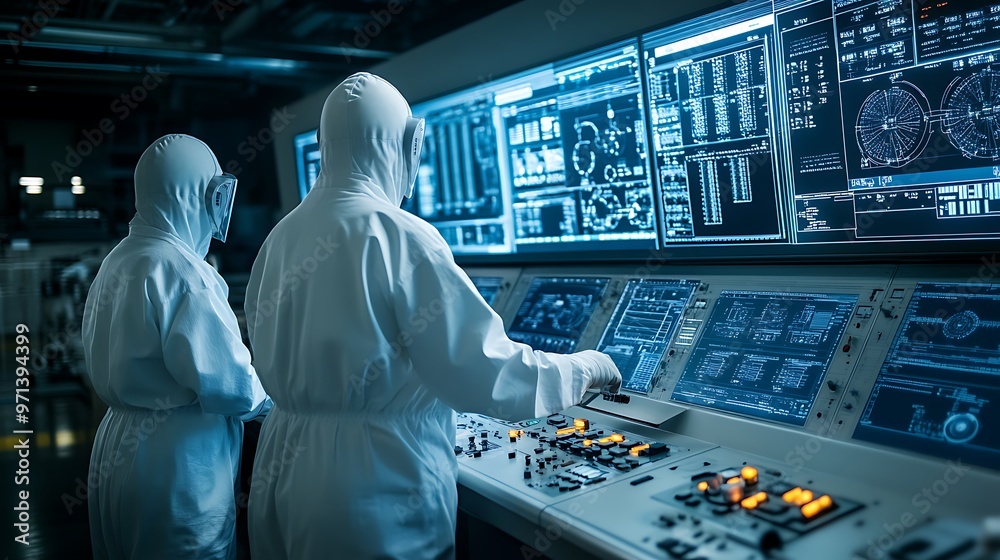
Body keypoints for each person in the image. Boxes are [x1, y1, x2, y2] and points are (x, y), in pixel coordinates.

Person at [244, 72, 621, 559]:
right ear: (403, 143)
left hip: (285, 474)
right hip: (373, 490)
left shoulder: (280, 238)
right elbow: (486, 373)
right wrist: (583, 369)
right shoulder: (399, 235)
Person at [82, 134, 272, 560]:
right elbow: (232, 385)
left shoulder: (120, 259)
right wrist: (279, 403)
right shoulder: (183, 271)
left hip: (116, 451)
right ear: (192, 194)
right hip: (177, 463)